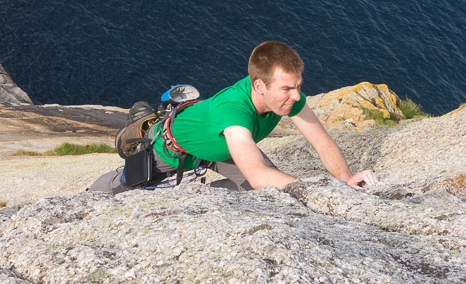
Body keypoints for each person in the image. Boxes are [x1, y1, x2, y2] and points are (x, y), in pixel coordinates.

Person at [88, 41, 377, 194]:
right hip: (174, 150)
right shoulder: (233, 112)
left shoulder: (290, 99)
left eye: (298, 86)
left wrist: (346, 179)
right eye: (287, 88)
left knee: (268, 192)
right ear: (259, 86)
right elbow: (257, 172)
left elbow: (322, 142)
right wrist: (318, 190)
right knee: (125, 188)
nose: (295, 95)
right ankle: (96, 188)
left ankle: (194, 199)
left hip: (224, 149)